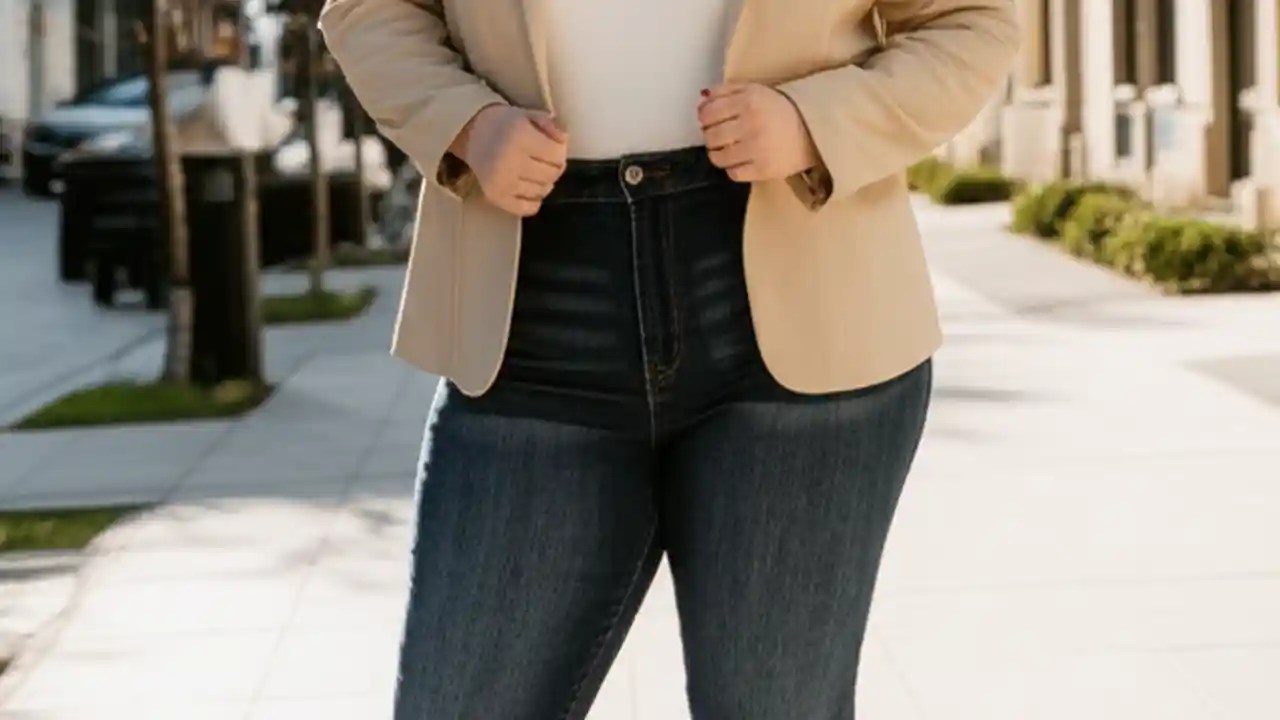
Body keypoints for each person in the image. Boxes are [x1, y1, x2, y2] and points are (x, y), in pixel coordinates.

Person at [320, 0, 1018, 717]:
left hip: (805, 298)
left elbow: (970, 22)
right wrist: (465, 124)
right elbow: (369, 12)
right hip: (533, 305)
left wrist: (816, 122)